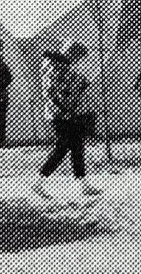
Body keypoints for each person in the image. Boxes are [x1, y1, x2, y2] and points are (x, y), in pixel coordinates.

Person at [35, 42, 99, 199]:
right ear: (71, 54)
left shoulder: (61, 67)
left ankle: (82, 184)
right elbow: (55, 92)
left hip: (67, 113)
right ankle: (39, 181)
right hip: (60, 115)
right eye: (77, 57)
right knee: (63, 147)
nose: (78, 61)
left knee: (77, 146)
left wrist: (81, 84)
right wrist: (66, 107)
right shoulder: (55, 67)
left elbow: (76, 84)